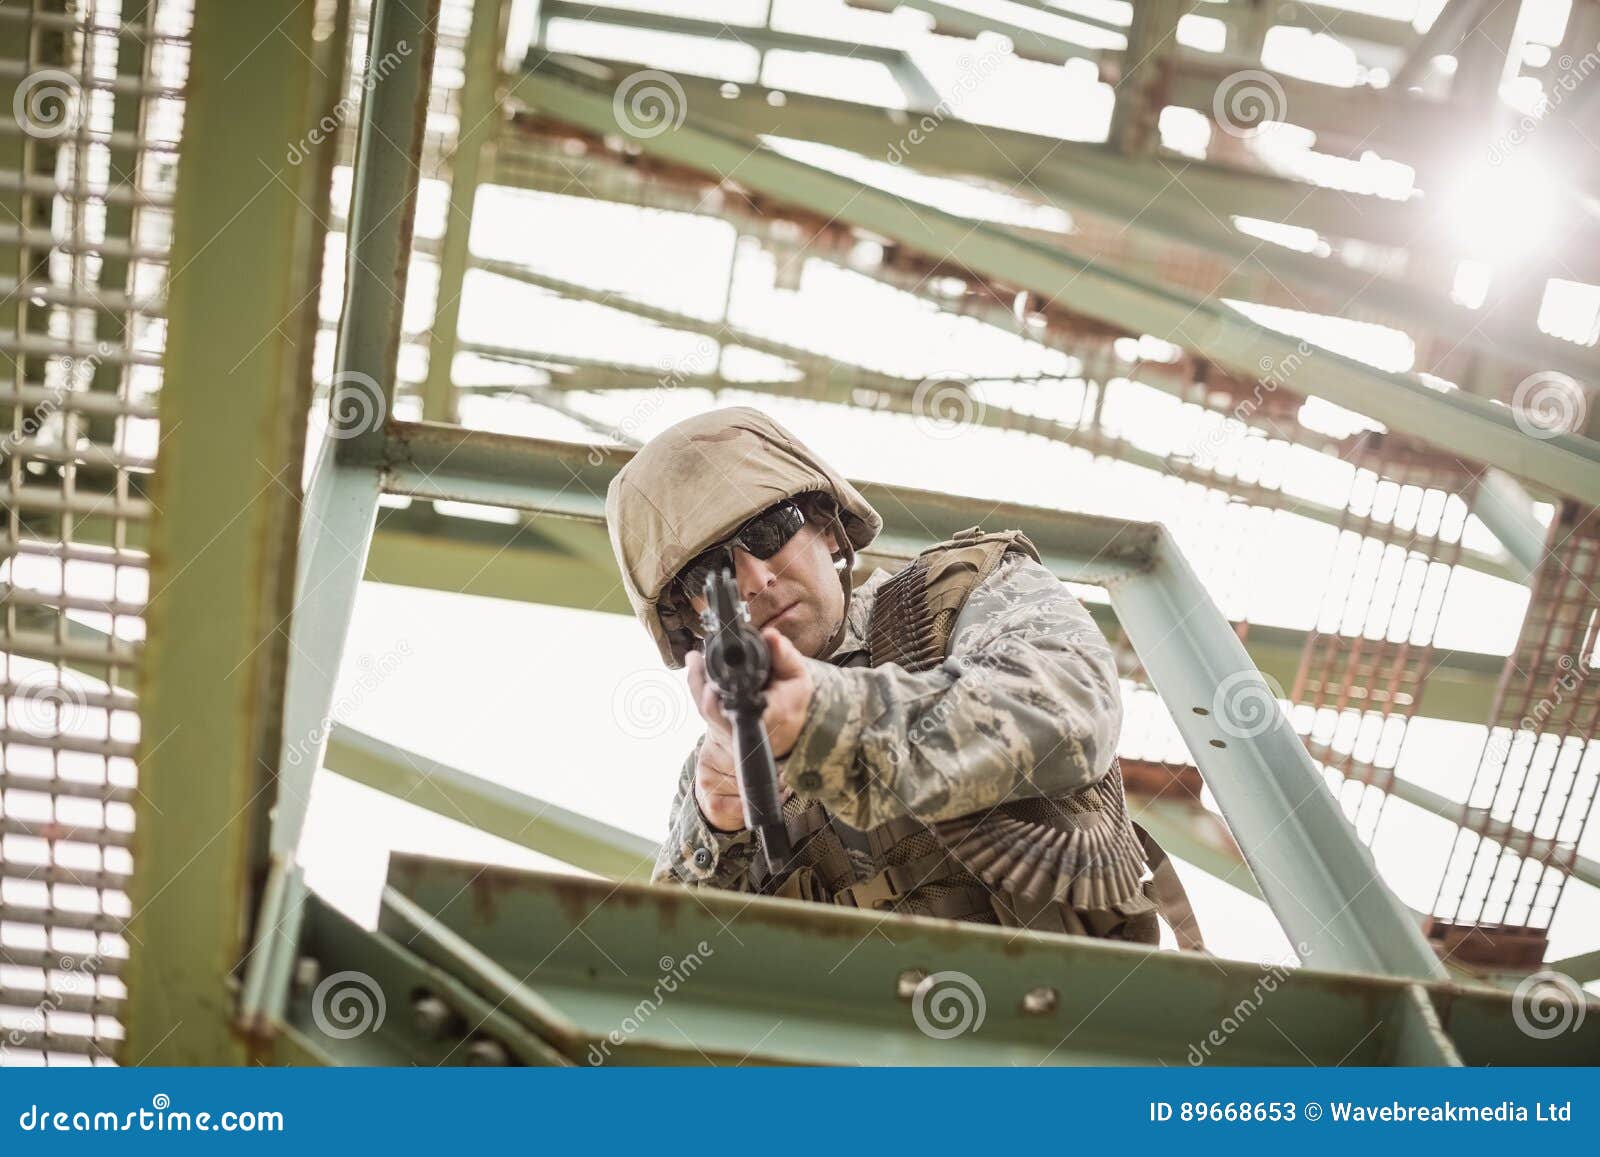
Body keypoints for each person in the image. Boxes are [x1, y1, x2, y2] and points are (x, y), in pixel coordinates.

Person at [605, 406, 1201, 945]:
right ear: (691, 618)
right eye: (711, 573)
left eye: (768, 532)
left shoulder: (955, 597)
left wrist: (825, 719)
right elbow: (669, 968)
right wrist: (717, 831)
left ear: (827, 526)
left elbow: (1070, 711)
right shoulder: (715, 773)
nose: (756, 579)